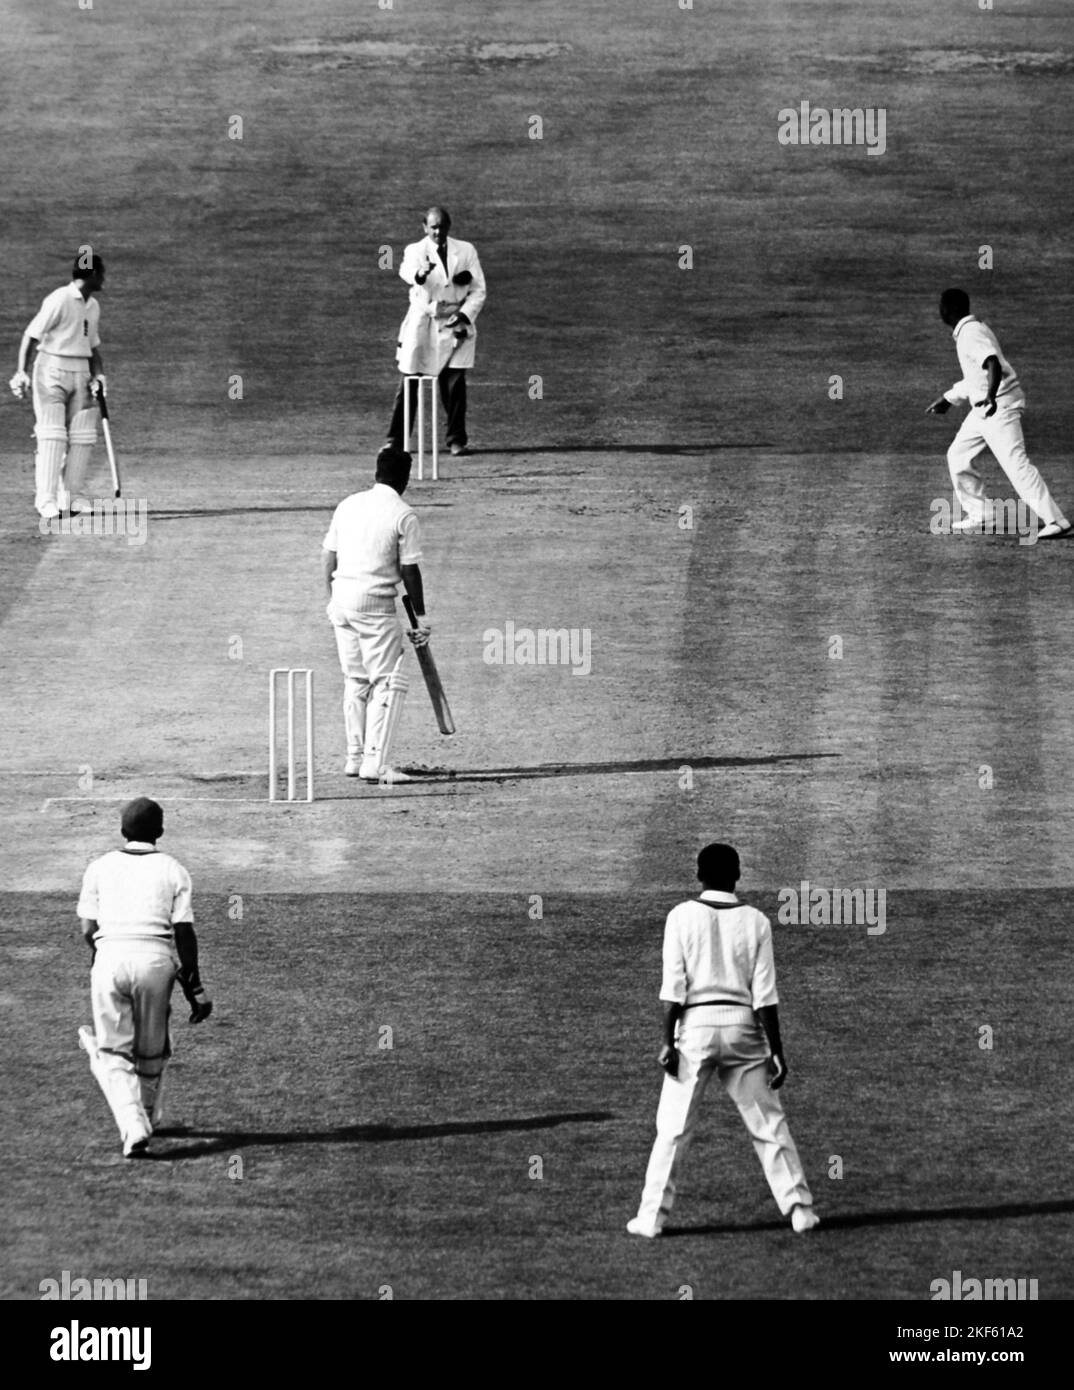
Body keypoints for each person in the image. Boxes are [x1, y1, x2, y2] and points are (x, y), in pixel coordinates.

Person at [627, 843, 818, 1237]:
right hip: (743, 1030)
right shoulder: (756, 921)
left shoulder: (680, 916)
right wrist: (777, 1051)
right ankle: (800, 1209)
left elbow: (673, 988)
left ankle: (651, 1219)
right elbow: (765, 996)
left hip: (694, 1030)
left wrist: (667, 1041)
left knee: (674, 1128)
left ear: (699, 876)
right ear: (737, 876)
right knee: (768, 1123)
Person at [76, 797, 212, 1160]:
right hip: (156, 962)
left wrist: (102, 956)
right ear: (161, 832)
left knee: (113, 1052)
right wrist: (195, 989)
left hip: (110, 959)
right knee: (151, 1052)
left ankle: (135, 1124)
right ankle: (145, 1117)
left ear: (122, 831)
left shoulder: (99, 866)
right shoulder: (174, 869)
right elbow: (184, 932)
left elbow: (88, 928)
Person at [323, 445, 432, 783]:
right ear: (405, 479)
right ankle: (375, 762)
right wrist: (421, 616)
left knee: (355, 679)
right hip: (375, 604)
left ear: (376, 473)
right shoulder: (403, 514)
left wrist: (331, 598)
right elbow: (410, 569)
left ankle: (355, 757)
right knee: (386, 681)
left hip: (342, 600)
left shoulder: (348, 504)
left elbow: (329, 556)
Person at [926, 288, 1071, 539]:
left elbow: (991, 362)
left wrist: (991, 395)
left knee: (1016, 465)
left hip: (998, 406)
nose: (939, 310)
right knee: (958, 455)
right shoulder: (970, 331)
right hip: (984, 408)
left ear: (949, 310)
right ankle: (982, 515)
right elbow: (975, 377)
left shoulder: (970, 333)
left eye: (941, 305)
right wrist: (949, 399)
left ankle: (1056, 520)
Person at [10, 252, 107, 520]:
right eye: (101, 273)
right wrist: (22, 372)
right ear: (92, 275)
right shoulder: (59, 299)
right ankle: (46, 500)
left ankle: (72, 496)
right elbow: (31, 335)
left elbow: (93, 347)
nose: (104, 279)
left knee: (82, 435)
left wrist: (99, 376)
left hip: (82, 373)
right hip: (50, 370)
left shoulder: (93, 306)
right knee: (52, 435)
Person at [386, 206, 486, 457]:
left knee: (454, 385)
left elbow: (478, 290)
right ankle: (396, 441)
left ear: (449, 226)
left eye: (442, 226)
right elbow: (405, 271)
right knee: (409, 381)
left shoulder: (466, 250)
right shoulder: (415, 250)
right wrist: (419, 274)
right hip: (424, 323)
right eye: (433, 227)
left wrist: (463, 314)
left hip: (455, 324)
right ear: (425, 227)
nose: (438, 231)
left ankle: (456, 440)